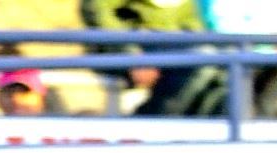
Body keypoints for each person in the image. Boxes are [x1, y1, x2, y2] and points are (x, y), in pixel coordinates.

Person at [81, 0, 228, 118]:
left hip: (176, 48)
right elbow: (96, 11)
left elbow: (193, 24)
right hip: (129, 49)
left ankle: (205, 137)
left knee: (226, 67)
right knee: (201, 59)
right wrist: (130, 54)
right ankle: (147, 124)